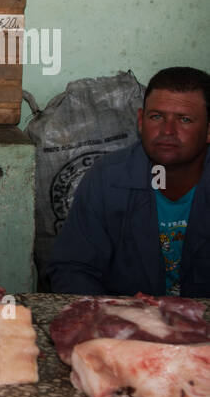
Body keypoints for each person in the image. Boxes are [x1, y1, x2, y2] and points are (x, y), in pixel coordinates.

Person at [47, 66, 210, 297]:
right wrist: (111, 319)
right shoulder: (107, 179)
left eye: (184, 119)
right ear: (141, 121)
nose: (167, 131)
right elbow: (72, 268)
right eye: (157, 117)